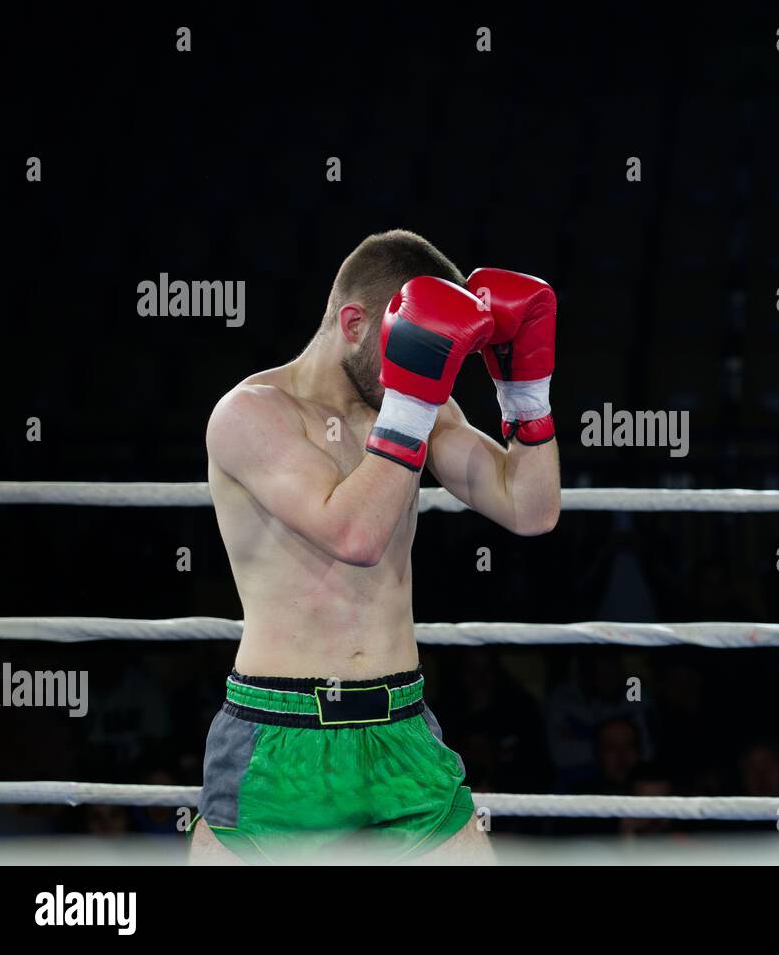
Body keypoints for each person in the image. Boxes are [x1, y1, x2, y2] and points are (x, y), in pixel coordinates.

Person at [191, 229, 560, 863]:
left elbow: (531, 510)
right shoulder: (252, 415)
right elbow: (354, 535)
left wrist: (524, 393)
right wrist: (414, 402)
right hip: (281, 739)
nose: (421, 377)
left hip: (402, 730)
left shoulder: (414, 407)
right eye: (411, 352)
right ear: (355, 322)